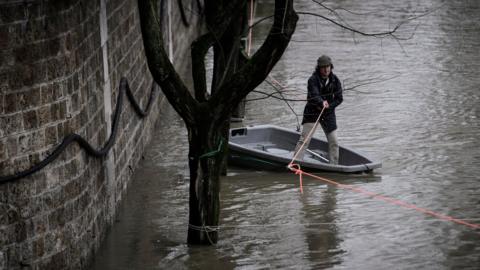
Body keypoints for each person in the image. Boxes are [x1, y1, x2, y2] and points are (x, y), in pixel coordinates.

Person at [293, 55, 343, 164]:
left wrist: (330, 105)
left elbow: (339, 99)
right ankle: (295, 163)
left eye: (328, 66)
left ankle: (334, 166)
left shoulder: (335, 80)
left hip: (328, 114)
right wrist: (321, 102)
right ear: (319, 68)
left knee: (334, 141)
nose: (326, 69)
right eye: (323, 67)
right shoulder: (312, 80)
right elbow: (314, 94)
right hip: (312, 112)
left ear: (331, 66)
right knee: (304, 140)